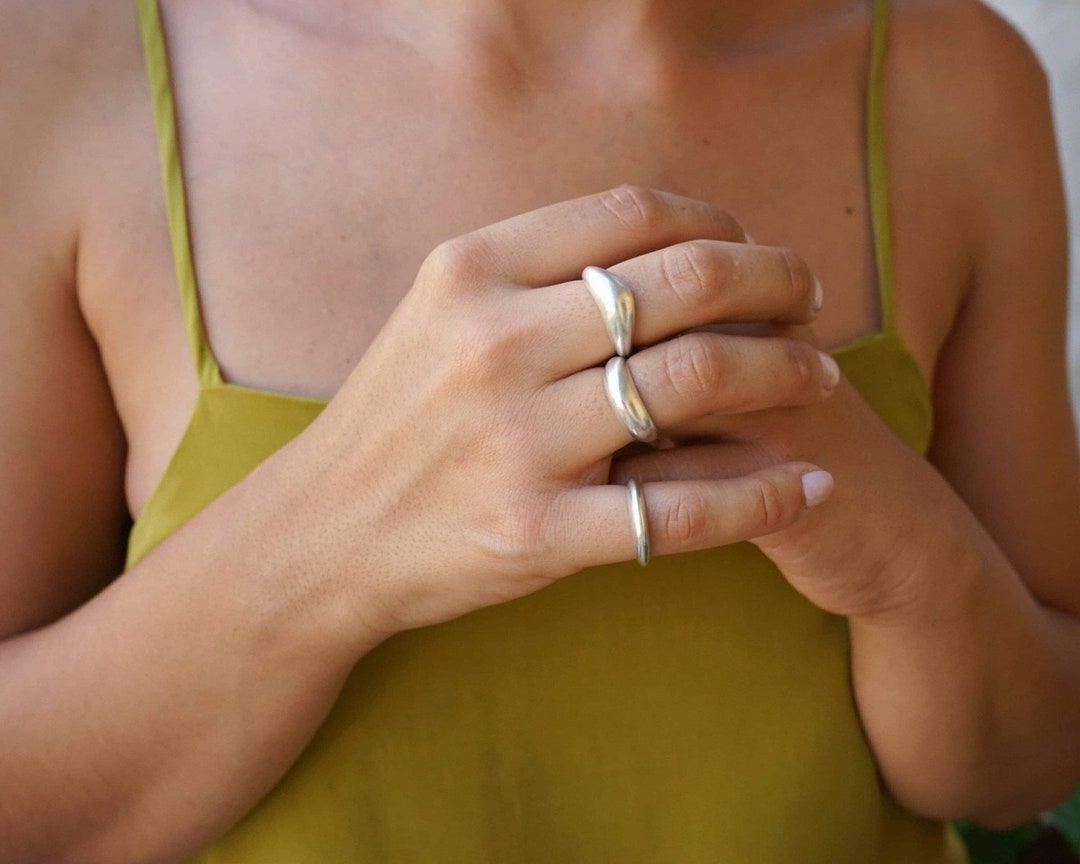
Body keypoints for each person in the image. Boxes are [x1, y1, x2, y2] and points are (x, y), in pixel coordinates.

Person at [1, 0, 1077, 861]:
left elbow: (1019, 769)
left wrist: (908, 559)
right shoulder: (52, 68)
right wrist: (341, 530)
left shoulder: (958, 79)